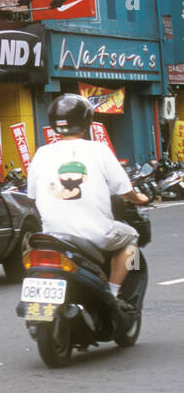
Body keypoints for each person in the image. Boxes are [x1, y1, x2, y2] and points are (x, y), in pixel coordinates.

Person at [27, 94, 148, 332]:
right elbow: (124, 190)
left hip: (53, 236)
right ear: (86, 121)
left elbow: (31, 195)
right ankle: (113, 292)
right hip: (94, 233)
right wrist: (141, 199)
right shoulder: (98, 150)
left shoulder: (42, 153)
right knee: (132, 237)